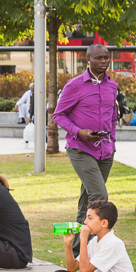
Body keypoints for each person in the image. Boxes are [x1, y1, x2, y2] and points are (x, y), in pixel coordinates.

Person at [53, 44, 120, 243]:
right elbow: (58, 115)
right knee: (99, 195)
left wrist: (112, 142)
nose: (103, 61)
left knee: (87, 201)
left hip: (105, 151)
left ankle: (78, 250)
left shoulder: (112, 85)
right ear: (87, 60)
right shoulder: (74, 85)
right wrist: (78, 132)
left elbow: (113, 116)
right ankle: (95, 244)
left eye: (106, 57)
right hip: (80, 148)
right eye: (99, 58)